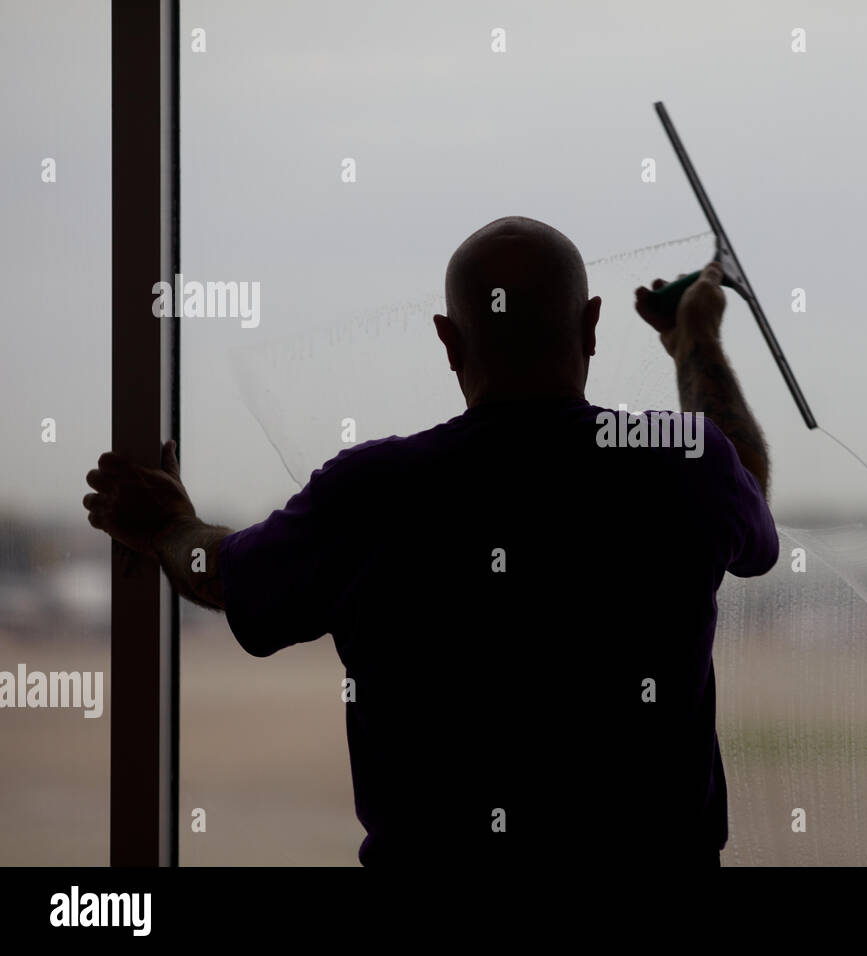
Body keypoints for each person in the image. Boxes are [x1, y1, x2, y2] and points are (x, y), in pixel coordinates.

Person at [83, 216, 778, 867]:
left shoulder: (374, 490)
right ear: (592, 325)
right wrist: (696, 340)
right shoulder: (684, 465)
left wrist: (168, 527)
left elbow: (226, 578)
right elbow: (745, 486)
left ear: (448, 340)